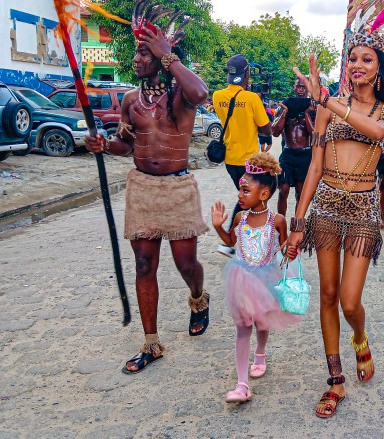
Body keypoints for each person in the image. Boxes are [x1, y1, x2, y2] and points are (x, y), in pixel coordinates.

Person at [285, 8, 384, 418]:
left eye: (366, 59)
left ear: (380, 66)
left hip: (363, 208)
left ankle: (360, 338)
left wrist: (327, 99)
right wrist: (298, 222)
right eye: (352, 58)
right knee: (326, 295)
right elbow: (313, 166)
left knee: (348, 302)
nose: (357, 65)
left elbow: (377, 132)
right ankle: (335, 381)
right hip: (325, 206)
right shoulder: (328, 107)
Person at [84, 3, 210, 373]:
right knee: (143, 263)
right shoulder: (129, 101)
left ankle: (198, 298)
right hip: (142, 187)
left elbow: (201, 93)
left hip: (177, 188)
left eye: (143, 52)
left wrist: (166, 55)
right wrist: (106, 145)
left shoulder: (182, 96)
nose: (137, 58)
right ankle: (151, 343)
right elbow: (127, 145)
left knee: (186, 263)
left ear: (160, 55)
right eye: (138, 51)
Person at [210, 152, 302, 403]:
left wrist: (291, 250)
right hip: (240, 278)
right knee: (242, 328)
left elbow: (285, 253)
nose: (239, 195)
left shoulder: (278, 221)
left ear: (263, 194)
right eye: (240, 189)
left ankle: (260, 354)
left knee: (262, 321)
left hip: (266, 279)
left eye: (245, 190)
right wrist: (219, 226)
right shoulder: (240, 218)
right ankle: (242, 385)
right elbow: (231, 242)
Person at [213, 54, 272, 256]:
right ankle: (233, 242)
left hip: (230, 160)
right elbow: (266, 125)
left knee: (249, 198)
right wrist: (267, 137)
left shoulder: (217, 96)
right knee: (253, 199)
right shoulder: (251, 98)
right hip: (250, 161)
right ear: (246, 74)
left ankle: (236, 241)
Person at [272, 78, 316, 216]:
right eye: (299, 86)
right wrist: (284, 114)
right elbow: (275, 132)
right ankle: (280, 225)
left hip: (304, 154)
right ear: (294, 88)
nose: (301, 89)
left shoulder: (313, 107)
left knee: (300, 194)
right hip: (288, 153)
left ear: (308, 89)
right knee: (283, 190)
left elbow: (314, 133)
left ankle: (297, 226)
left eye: (304, 87)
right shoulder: (284, 106)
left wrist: (307, 114)